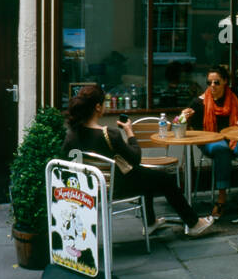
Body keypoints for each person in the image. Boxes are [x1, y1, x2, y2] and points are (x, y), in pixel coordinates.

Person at [64, 85, 214, 237]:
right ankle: (194, 224)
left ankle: (151, 222)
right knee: (165, 179)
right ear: (97, 107)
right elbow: (135, 158)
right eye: (104, 103)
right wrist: (129, 132)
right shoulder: (109, 134)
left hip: (89, 189)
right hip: (116, 186)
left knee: (146, 174)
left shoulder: (71, 135)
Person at [179, 66, 238, 218]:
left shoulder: (234, 96)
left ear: (225, 82)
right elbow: (180, 125)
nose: (212, 86)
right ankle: (221, 200)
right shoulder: (199, 102)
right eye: (209, 82)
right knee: (222, 150)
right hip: (210, 140)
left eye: (216, 82)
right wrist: (182, 117)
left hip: (233, 139)